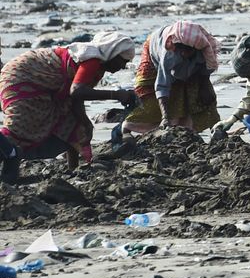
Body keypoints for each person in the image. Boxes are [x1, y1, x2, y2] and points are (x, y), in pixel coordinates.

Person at [0, 33, 135, 181]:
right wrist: (116, 95)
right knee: (19, 127)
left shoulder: (97, 66)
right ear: (113, 54)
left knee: (73, 124)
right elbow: (77, 91)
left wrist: (85, 122)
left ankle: (74, 170)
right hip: (23, 78)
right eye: (123, 61)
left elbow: (76, 98)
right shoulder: (92, 60)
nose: (123, 66)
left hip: (43, 85)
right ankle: (9, 162)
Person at [123, 21, 222, 134]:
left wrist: (204, 87)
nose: (184, 53)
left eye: (187, 50)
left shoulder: (204, 52)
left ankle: (215, 128)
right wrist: (165, 117)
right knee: (147, 95)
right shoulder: (169, 53)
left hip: (191, 58)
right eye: (181, 50)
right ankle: (127, 127)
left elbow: (205, 75)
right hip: (153, 47)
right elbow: (162, 85)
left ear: (195, 49)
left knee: (200, 93)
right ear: (176, 46)